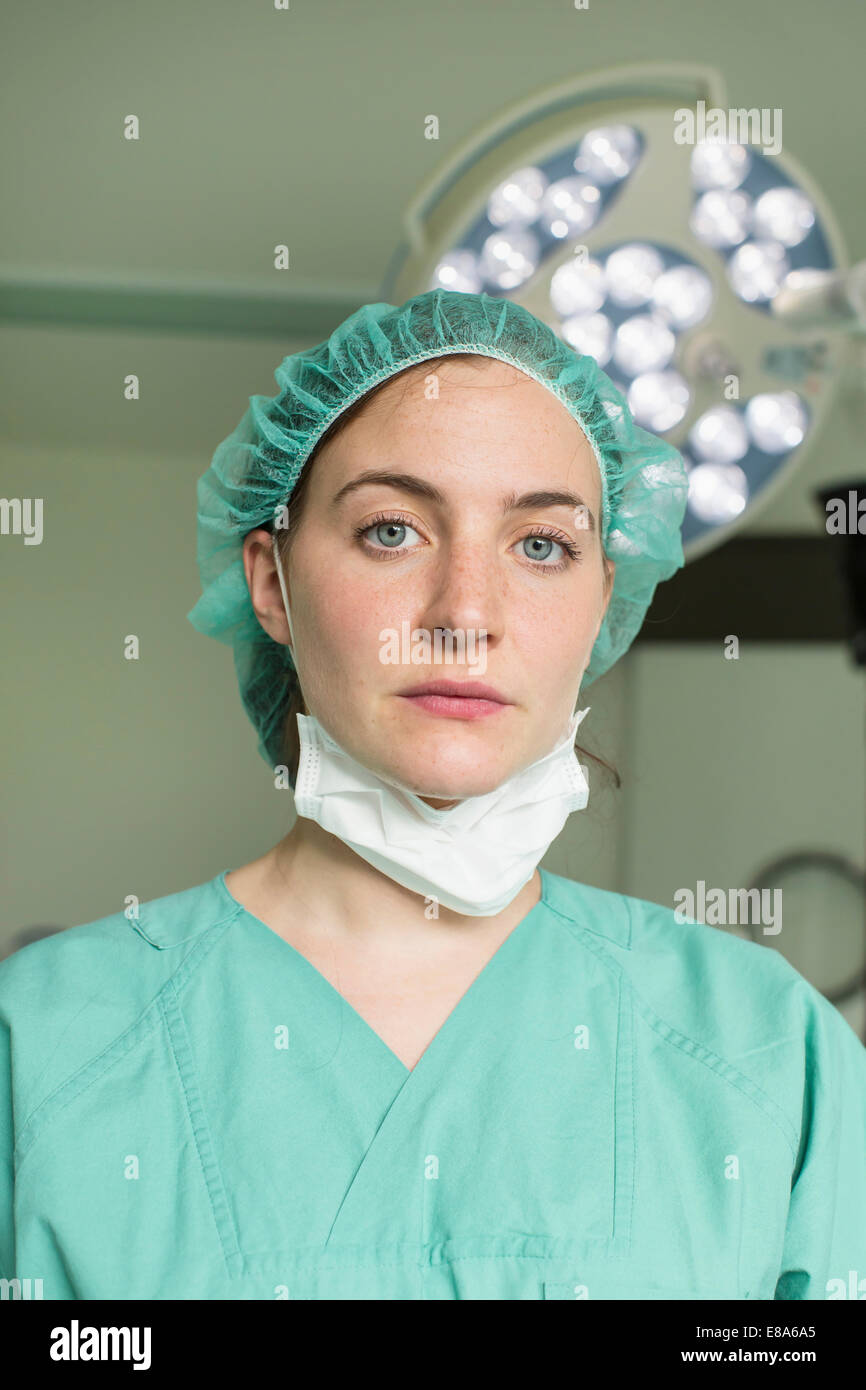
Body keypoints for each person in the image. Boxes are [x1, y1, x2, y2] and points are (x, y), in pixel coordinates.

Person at [1, 289, 864, 1301]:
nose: (464, 612)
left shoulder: (766, 1049)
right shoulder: (45, 1045)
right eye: (391, 530)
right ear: (272, 583)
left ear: (599, 606)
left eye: (541, 543)